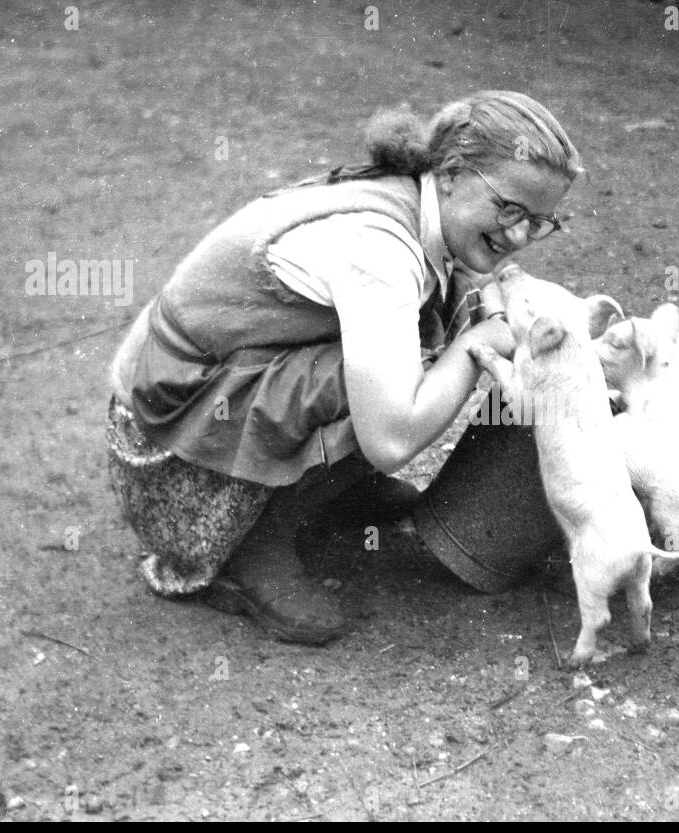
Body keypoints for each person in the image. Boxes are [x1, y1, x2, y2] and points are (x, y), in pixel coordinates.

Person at [106, 90, 582, 645]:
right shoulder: (378, 246)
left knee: (426, 330)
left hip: (197, 398)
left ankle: (321, 493)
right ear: (451, 173)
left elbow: (468, 287)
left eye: (541, 222)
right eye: (509, 210)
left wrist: (493, 314)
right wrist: (478, 344)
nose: (521, 236)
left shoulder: (417, 198)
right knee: (412, 370)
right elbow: (393, 437)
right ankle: (249, 545)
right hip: (167, 457)